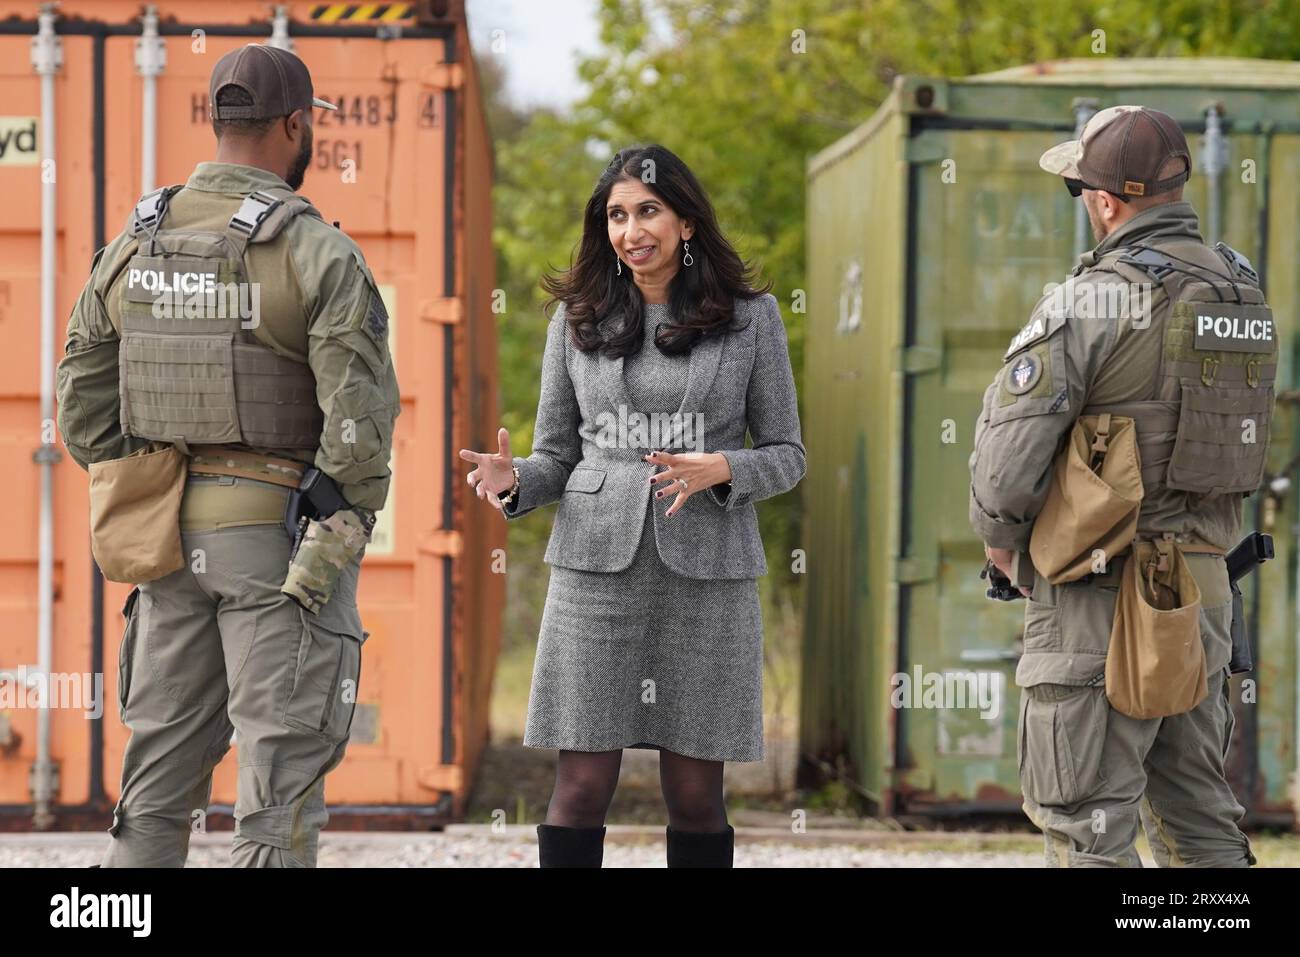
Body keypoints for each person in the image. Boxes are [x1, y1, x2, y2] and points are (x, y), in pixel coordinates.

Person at [56, 43, 400, 867]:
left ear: (217, 121)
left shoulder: (133, 242)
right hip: (277, 547)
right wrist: (344, 511)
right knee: (274, 806)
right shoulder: (317, 252)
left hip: (165, 547)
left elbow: (80, 407)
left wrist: (151, 480)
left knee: (150, 804)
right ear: (296, 124)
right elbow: (357, 431)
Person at [459, 145, 805, 867]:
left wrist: (725, 467)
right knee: (581, 786)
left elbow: (787, 453)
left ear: (685, 221)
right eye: (616, 215)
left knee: (695, 795)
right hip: (594, 579)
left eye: (647, 210)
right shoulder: (576, 321)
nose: (630, 228)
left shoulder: (750, 319)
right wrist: (513, 478)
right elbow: (557, 457)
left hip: (706, 580)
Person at [970, 105, 1270, 867]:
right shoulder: (1241, 292)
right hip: (1202, 590)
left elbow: (1006, 466)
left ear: (1105, 201)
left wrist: (1003, 547)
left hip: (1097, 595)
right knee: (1202, 823)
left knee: (1087, 827)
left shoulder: (1087, 302)